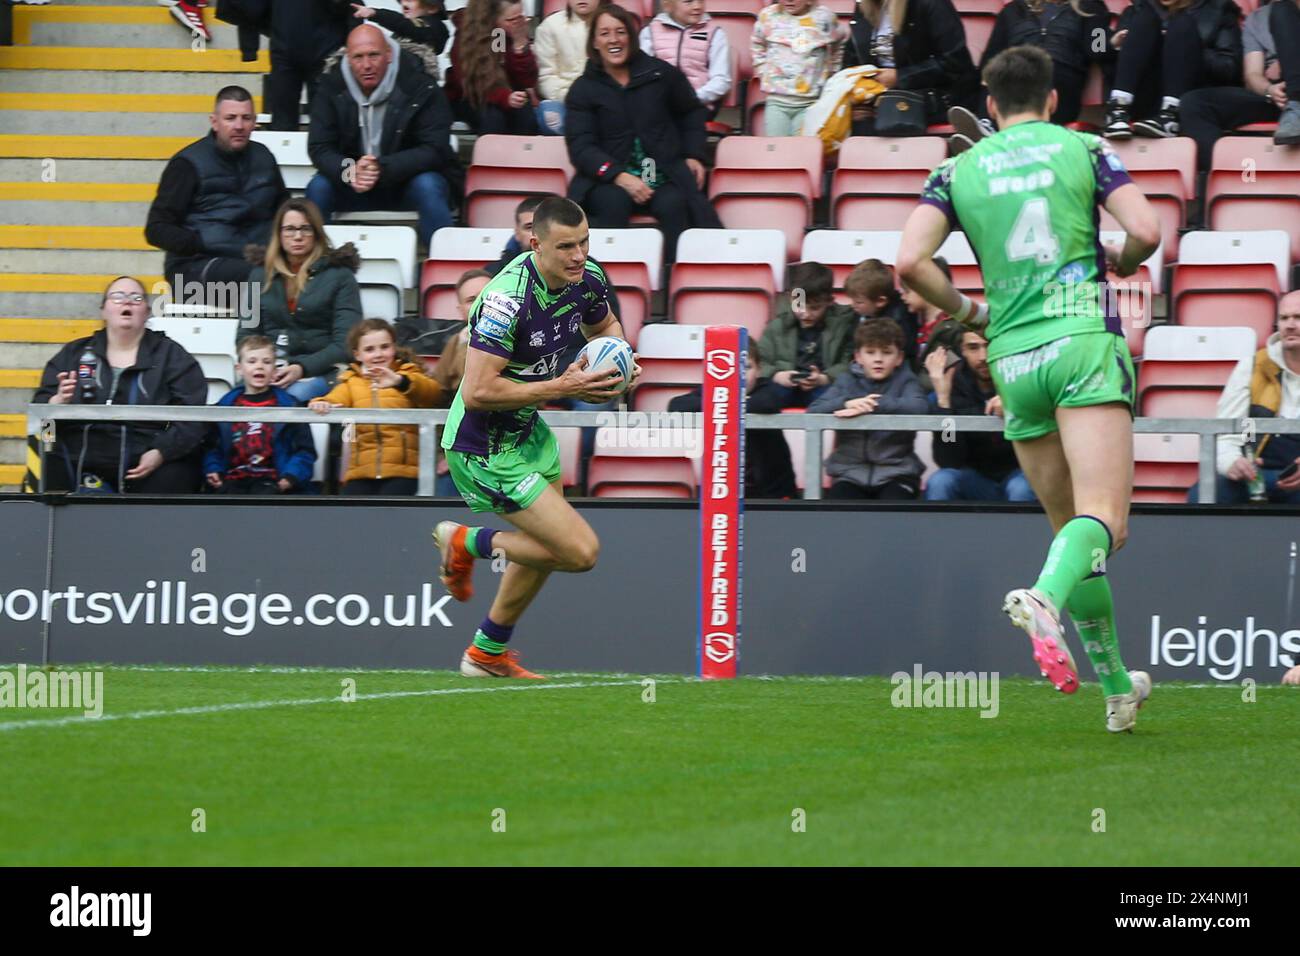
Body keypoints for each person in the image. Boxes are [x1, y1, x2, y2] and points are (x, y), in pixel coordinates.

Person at [897, 45, 1162, 731]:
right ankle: (1043, 598)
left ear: (989, 104)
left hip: (1013, 361)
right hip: (1079, 342)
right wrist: (1123, 260)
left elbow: (909, 262)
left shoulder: (954, 169)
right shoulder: (1085, 149)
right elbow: (1146, 230)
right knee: (1107, 522)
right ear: (1053, 100)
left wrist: (969, 315)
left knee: (1075, 534)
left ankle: (1116, 689)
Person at [434, 197, 639, 679]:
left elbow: (604, 323)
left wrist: (619, 358)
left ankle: (485, 654)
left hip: (527, 429)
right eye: (566, 245)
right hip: (483, 445)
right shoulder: (506, 301)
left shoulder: (585, 276)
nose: (578, 254)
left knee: (543, 546)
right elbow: (480, 390)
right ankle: (467, 543)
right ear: (535, 244)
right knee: (580, 552)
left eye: (585, 242)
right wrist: (562, 387)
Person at [565, 3, 722, 260]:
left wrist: (694, 154)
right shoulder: (584, 89)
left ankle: (673, 283)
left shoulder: (660, 73)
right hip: (610, 179)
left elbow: (691, 112)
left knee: (676, 206)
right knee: (611, 204)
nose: (613, 39)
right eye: (604, 33)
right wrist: (619, 176)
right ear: (594, 42)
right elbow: (581, 147)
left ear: (632, 37)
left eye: (620, 31)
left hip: (663, 174)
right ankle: (608, 286)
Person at [33, 277, 207, 494]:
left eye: (136, 298)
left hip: (147, 458)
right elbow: (41, 425)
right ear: (103, 310)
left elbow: (193, 419)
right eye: (117, 297)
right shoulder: (72, 355)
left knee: (181, 470)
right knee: (44, 451)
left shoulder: (172, 357)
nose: (127, 303)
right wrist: (55, 405)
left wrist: (161, 451)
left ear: (146, 312)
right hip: (80, 458)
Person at [306, 22, 459, 247]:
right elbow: (319, 147)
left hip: (405, 182)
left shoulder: (420, 86)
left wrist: (383, 167)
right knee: (317, 188)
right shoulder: (330, 87)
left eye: (373, 55)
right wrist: (350, 170)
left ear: (389, 54)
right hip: (352, 182)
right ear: (348, 58)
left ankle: (444, 264)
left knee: (429, 186)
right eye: (358, 57)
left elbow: (435, 148)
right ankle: (315, 270)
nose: (366, 65)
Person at [145, 86, 288, 291]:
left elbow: (284, 210)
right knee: (261, 279)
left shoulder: (264, 157)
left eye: (246, 118)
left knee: (322, 276)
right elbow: (156, 229)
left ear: (254, 122)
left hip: (257, 259)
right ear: (214, 122)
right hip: (194, 268)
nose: (239, 126)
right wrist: (201, 242)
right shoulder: (187, 164)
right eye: (230, 118)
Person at [239, 198, 363, 403]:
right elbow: (246, 333)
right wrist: (262, 367)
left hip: (325, 371)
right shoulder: (259, 275)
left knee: (288, 398)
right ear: (279, 233)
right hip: (270, 370)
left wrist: (301, 368)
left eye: (305, 229)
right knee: (237, 399)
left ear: (316, 233)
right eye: (289, 229)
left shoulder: (341, 276)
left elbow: (346, 344)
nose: (297, 236)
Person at [751, 262, 857, 498]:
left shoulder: (845, 322)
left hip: (825, 386)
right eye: (800, 305)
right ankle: (776, 485)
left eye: (815, 307)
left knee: (841, 406)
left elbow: (852, 362)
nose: (806, 313)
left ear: (829, 301)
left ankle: (840, 480)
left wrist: (825, 378)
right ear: (790, 297)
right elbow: (761, 362)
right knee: (759, 404)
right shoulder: (778, 325)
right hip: (784, 385)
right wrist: (778, 374)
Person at [1188, 291, 1300, 505]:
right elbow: (1228, 433)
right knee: (1203, 494)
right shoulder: (1253, 366)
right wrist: (1233, 462)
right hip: (1256, 474)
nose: (1290, 325)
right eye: (1284, 318)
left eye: (1298, 317)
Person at [309, 318, 444, 495]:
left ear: (394, 347)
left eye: (384, 347)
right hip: (361, 471)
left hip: (403, 471)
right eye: (369, 349)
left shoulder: (408, 374)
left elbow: (433, 394)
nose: (378, 354)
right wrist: (321, 402)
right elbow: (334, 398)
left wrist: (399, 381)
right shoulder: (351, 382)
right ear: (357, 355)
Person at [806, 318, 929, 499]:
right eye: (870, 352)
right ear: (858, 356)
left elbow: (920, 407)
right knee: (837, 513)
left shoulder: (907, 380)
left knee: (896, 514)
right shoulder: (846, 380)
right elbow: (814, 410)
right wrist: (847, 402)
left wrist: (873, 404)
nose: (878, 359)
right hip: (848, 474)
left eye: (886, 352)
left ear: (899, 358)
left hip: (897, 474)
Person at [958, 0, 1114, 138]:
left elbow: (1097, 49)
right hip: (1016, 75)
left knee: (1028, 71)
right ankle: (986, 125)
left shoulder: (1091, 8)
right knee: (996, 70)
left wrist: (1109, 41)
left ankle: (992, 133)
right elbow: (991, 57)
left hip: (1059, 82)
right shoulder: (1013, 10)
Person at [1179, 0, 1300, 166]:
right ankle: (1221, 179)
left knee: (1282, 10)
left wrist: (1289, 62)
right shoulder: (1258, 18)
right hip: (1280, 98)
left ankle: (1296, 103)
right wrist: (1269, 89)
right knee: (1194, 104)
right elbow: (1252, 74)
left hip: (1294, 94)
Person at [923, 326, 1037, 502]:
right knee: (941, 481)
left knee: (1021, 489)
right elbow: (948, 460)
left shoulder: (1024, 378)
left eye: (989, 345)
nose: (983, 357)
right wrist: (944, 403)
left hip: (1020, 473)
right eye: (973, 348)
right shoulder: (952, 387)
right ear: (962, 351)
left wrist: (1014, 404)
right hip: (974, 478)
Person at [1102, 0, 1242, 140]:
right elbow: (1101, 58)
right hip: (1144, 98)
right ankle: (1118, 110)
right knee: (1146, 19)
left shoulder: (1219, 10)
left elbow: (1229, 69)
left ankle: (1170, 115)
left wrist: (1187, 48)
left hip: (1190, 98)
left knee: (1182, 24)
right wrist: (1114, 46)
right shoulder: (1137, 10)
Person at [842, 0, 979, 134]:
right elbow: (851, 59)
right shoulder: (864, 5)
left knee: (879, 128)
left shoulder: (931, 4)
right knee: (851, 124)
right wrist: (855, 102)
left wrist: (900, 77)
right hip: (880, 99)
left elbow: (955, 62)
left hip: (930, 97)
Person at [204, 336, 318, 495]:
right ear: (239, 368)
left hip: (274, 482)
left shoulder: (291, 406)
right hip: (233, 480)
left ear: (275, 370)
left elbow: (305, 451)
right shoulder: (224, 407)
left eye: (266, 362)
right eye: (252, 361)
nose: (259, 366)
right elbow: (212, 448)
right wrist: (214, 470)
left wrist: (289, 479)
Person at [431, 268, 492, 496]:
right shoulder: (456, 343)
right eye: (471, 299)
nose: (481, 303)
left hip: (510, 452)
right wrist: (443, 453)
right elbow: (438, 398)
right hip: (460, 451)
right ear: (461, 310)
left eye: (488, 294)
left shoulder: (527, 340)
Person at [752, 0, 848, 136]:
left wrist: (832, 71)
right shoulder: (768, 16)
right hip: (777, 100)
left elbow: (839, 42)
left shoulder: (825, 17)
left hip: (811, 101)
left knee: (802, 151)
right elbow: (757, 44)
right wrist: (762, 70)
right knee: (776, 149)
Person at [444, 0, 540, 134]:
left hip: (503, 93)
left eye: (521, 17)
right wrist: (505, 97)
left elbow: (522, 79)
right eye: (512, 19)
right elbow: (474, 81)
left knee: (525, 115)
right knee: (492, 117)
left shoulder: (499, 34)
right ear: (493, 18)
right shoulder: (467, 36)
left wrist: (519, 47)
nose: (519, 23)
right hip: (468, 96)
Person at [639, 0, 732, 117]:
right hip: (658, 104)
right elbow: (642, 74)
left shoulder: (715, 33)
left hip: (696, 105)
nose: (697, 6)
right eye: (688, 2)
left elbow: (721, 80)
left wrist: (691, 98)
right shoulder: (650, 32)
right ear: (668, 5)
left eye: (701, 1)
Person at [536, 0, 606, 134]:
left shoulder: (610, 25)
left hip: (602, 97)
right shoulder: (550, 26)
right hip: (563, 98)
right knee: (551, 117)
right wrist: (573, 97)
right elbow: (546, 78)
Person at [844, 258, 918, 366]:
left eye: (859, 302)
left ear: (880, 301)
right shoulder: (861, 314)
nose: (853, 305)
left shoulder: (900, 319)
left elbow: (905, 353)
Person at [350, 0, 449, 58]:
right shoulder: (404, 31)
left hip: (416, 85)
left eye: (410, 0)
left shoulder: (435, 26)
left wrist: (375, 13)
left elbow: (405, 25)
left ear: (432, 8)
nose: (404, 4)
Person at [487, 196, 548, 275]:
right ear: (517, 233)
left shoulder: (568, 273)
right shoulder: (495, 275)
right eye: (530, 227)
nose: (537, 234)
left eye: (545, 226)